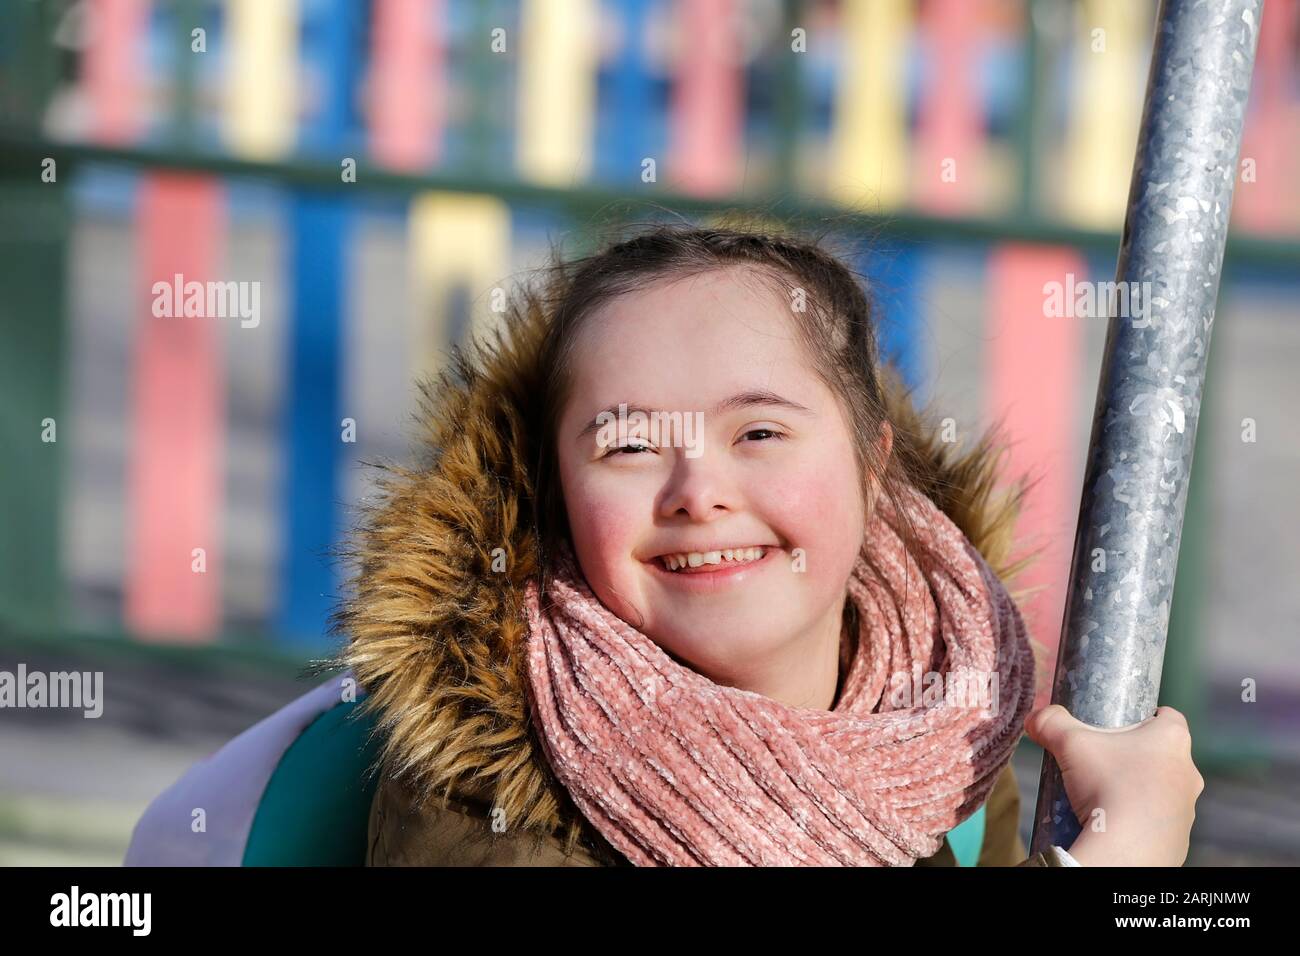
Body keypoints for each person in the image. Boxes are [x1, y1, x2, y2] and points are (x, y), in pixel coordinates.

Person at [334, 221, 1203, 867]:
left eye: (758, 434)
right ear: (561, 495)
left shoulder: (948, 740)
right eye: (630, 445)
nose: (697, 494)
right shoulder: (488, 795)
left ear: (871, 469)